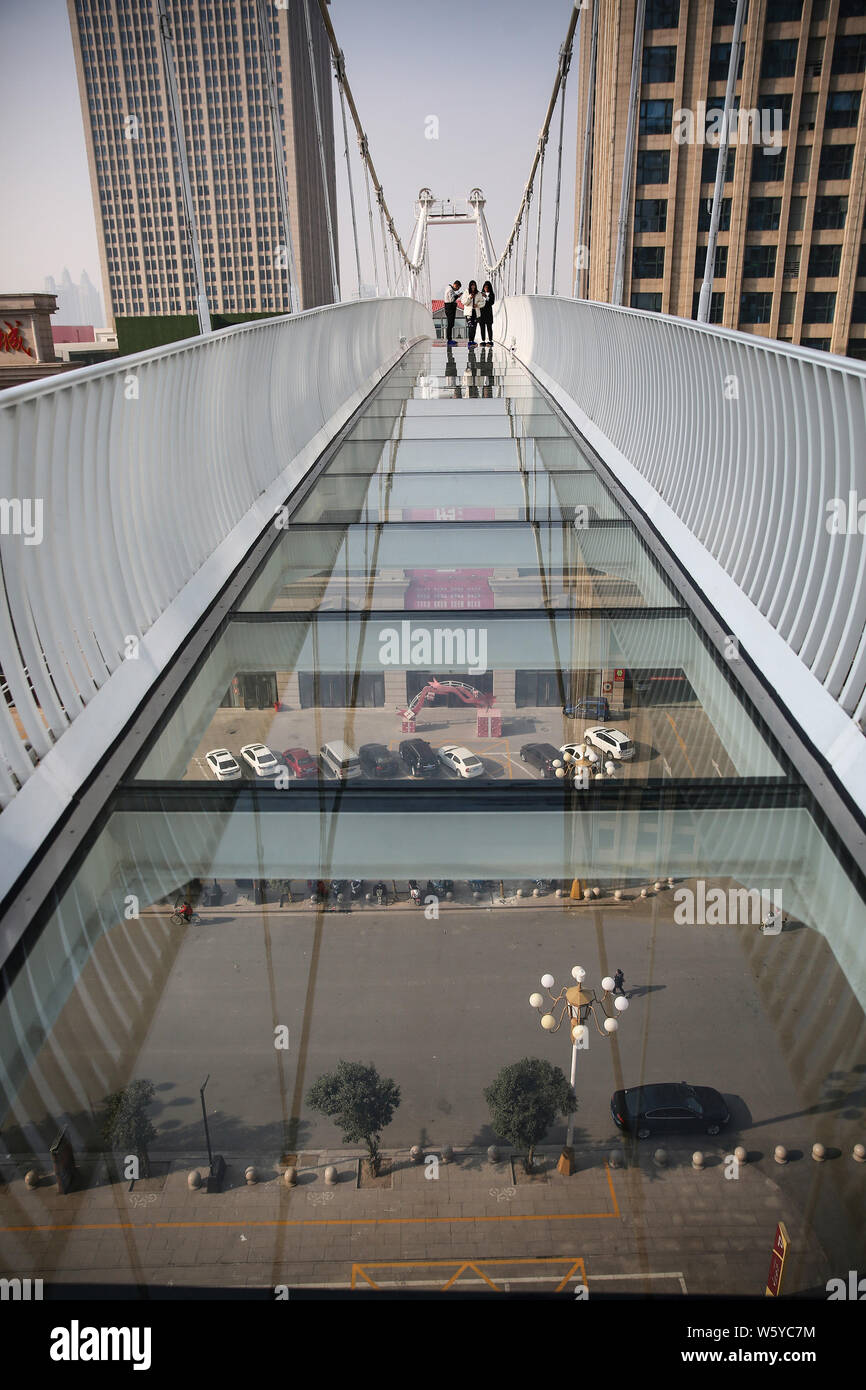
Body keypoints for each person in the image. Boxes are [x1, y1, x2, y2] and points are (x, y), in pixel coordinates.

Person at [463, 280, 484, 347]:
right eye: (471, 285)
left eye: (474, 285)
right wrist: (469, 297)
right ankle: (470, 341)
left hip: (476, 312)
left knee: (474, 327)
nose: (473, 286)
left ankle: (472, 341)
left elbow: (483, 302)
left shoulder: (478, 293)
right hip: (468, 313)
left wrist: (477, 305)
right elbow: (464, 302)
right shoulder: (466, 292)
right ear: (470, 285)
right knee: (470, 326)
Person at [443, 280, 461, 346]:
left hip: (448, 307)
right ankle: (449, 340)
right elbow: (451, 299)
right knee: (450, 324)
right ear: (456, 285)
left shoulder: (448, 288)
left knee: (451, 324)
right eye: (457, 288)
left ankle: (450, 339)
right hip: (449, 307)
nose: (457, 290)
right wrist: (458, 296)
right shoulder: (450, 290)